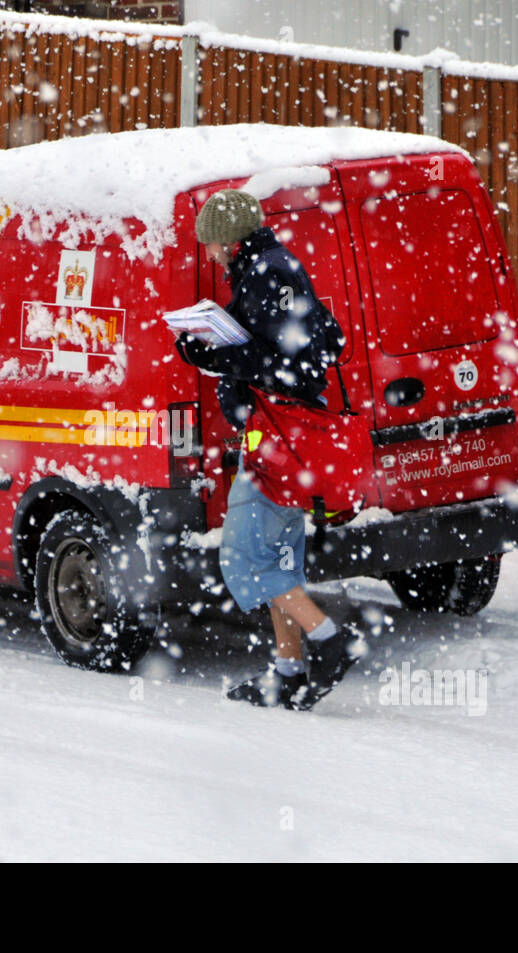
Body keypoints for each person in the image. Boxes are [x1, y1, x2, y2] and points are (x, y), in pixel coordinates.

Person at [175, 188, 367, 711]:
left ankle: (330, 639)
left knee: (243, 558)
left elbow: (287, 363)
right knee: (279, 554)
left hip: (276, 437)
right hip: (279, 437)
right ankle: (288, 670)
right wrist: (214, 347)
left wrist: (217, 358)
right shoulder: (271, 266)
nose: (209, 254)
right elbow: (325, 339)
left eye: (211, 243)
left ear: (228, 239)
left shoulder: (266, 273)